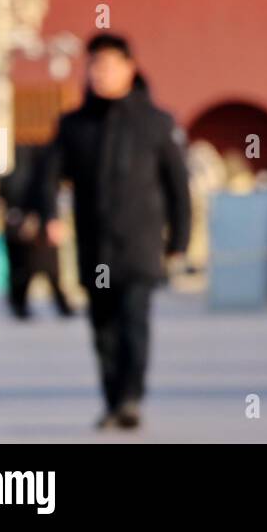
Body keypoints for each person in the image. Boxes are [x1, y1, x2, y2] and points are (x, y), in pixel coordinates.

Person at [38, 34, 191, 431]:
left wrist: (179, 240)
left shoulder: (156, 123)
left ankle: (130, 398)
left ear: (129, 67)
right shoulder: (74, 125)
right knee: (102, 328)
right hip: (95, 244)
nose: (99, 74)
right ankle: (112, 400)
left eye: (107, 65)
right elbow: (47, 176)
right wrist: (50, 216)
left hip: (140, 245)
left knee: (134, 323)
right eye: (93, 66)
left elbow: (178, 184)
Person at [0, 144, 73, 320]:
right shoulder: (42, 171)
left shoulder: (16, 168)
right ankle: (58, 304)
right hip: (35, 227)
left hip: (21, 227)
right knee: (43, 270)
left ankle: (22, 304)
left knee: (24, 271)